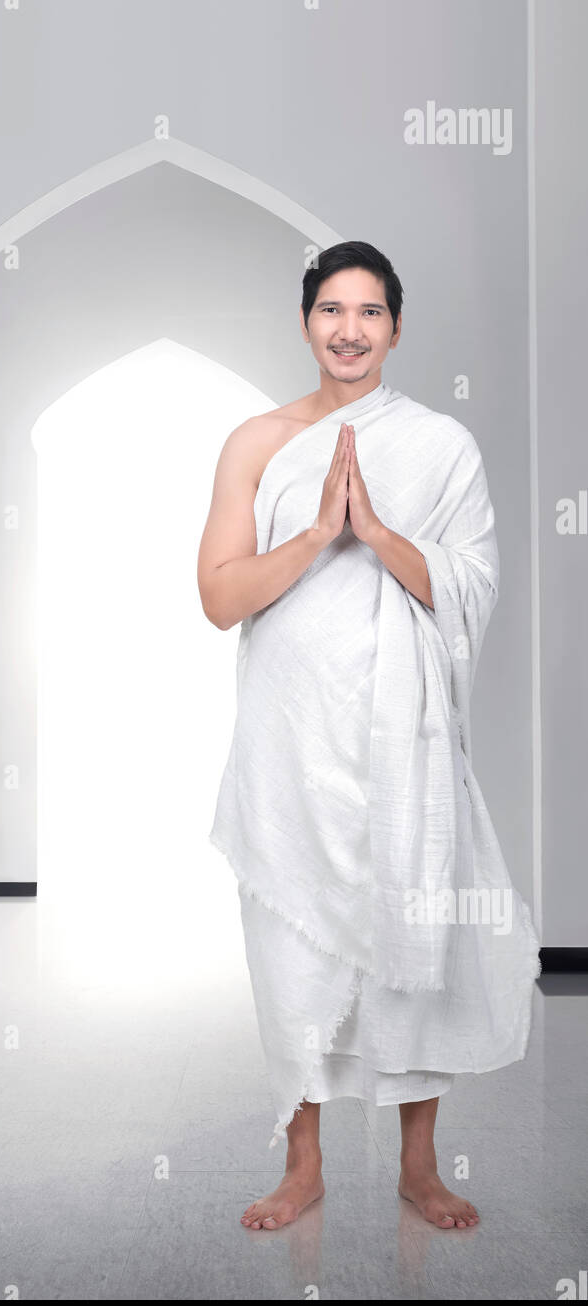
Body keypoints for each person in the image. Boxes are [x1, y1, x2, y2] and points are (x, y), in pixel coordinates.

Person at [198, 241, 541, 1231]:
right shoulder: (255, 442)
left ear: (395, 326)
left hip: (402, 736)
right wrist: (313, 535)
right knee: (293, 945)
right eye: (330, 311)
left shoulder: (439, 446)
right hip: (289, 738)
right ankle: (301, 1165)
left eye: (369, 313)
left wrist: (377, 530)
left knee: (408, 939)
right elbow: (220, 596)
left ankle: (418, 1167)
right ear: (305, 321)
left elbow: (469, 586)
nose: (348, 331)